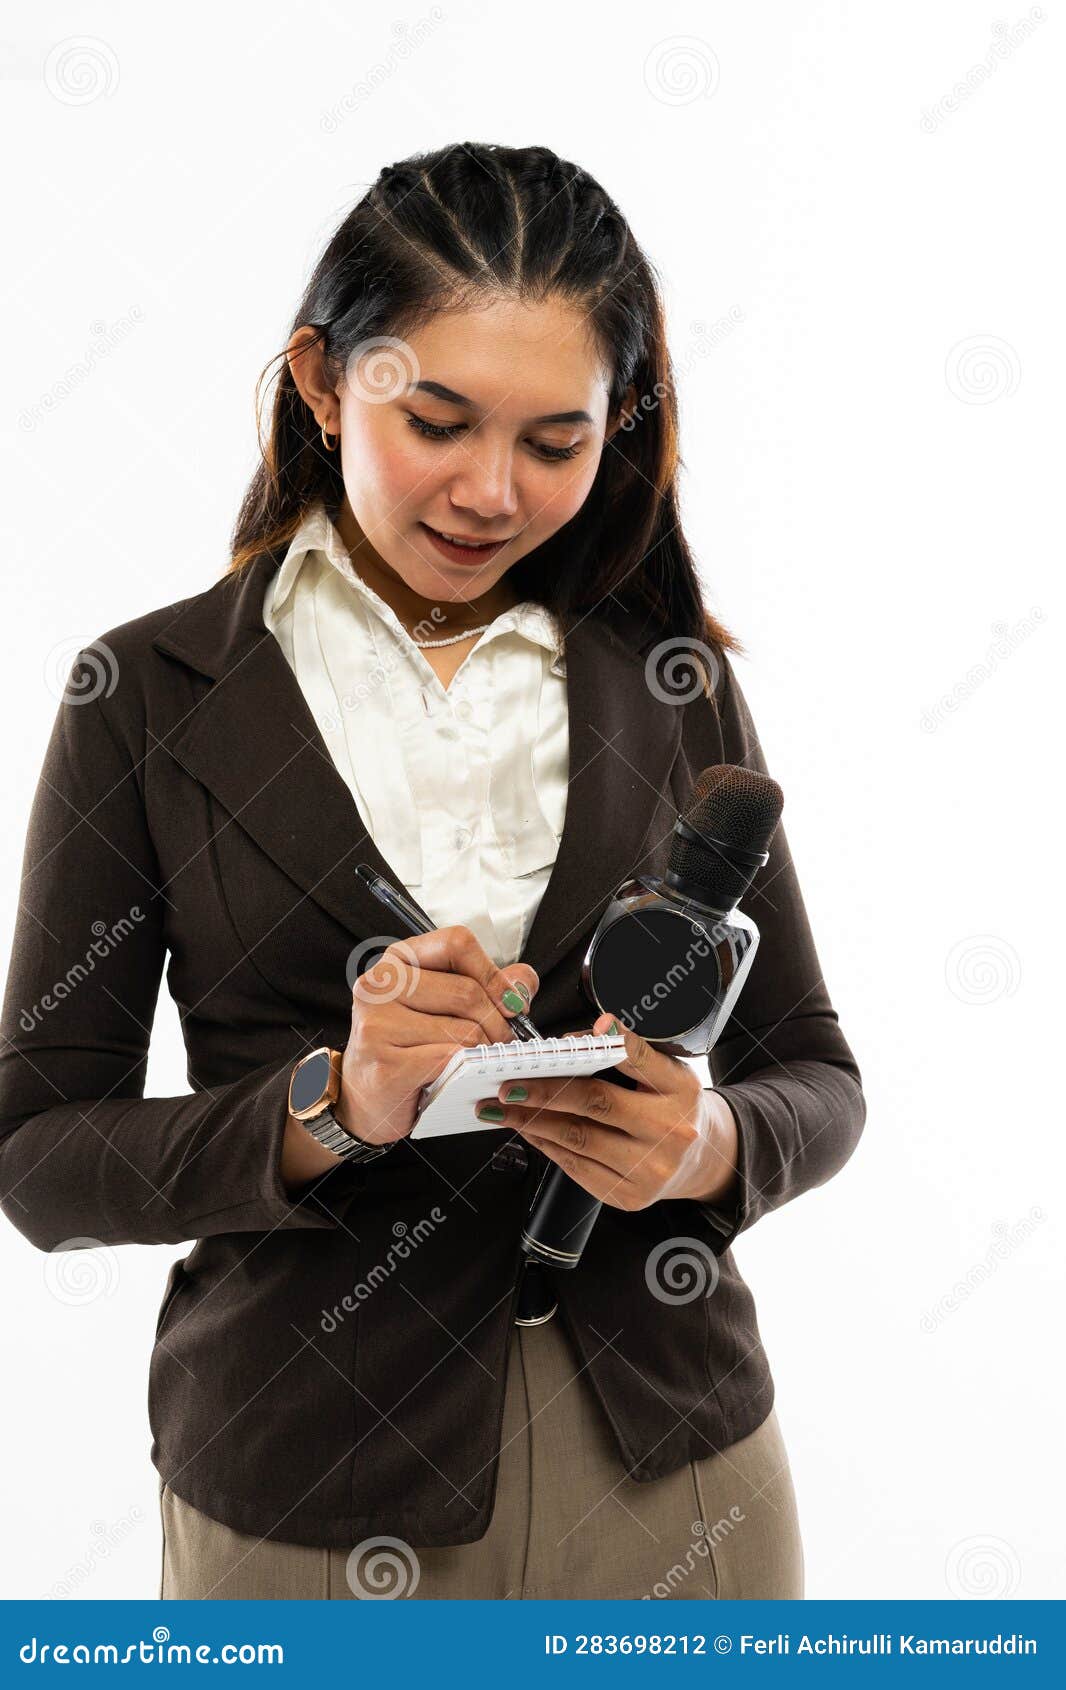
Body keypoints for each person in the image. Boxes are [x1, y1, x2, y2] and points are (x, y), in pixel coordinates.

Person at [0, 142, 866, 1601]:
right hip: (305, 1486)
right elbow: (38, 1155)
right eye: (441, 419)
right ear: (325, 380)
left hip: (678, 1476)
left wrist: (702, 1145)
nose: (489, 491)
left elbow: (813, 1073)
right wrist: (330, 1107)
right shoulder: (147, 692)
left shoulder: (667, 684)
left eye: (554, 441)